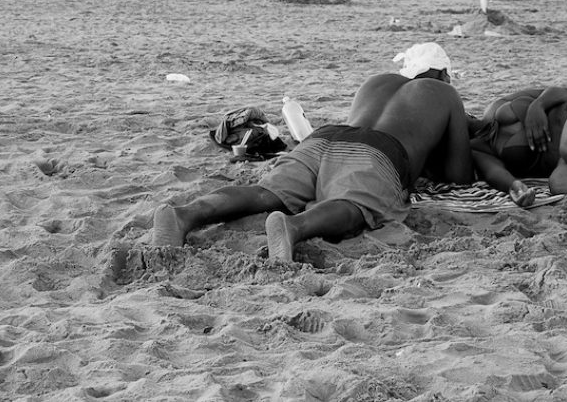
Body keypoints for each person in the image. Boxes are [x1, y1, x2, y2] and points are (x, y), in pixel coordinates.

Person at [153, 42, 474, 263]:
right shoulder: (446, 94)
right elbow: (459, 175)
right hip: (378, 154)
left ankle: (186, 214)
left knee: (266, 192)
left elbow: (357, 136)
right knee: (356, 207)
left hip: (325, 139)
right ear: (444, 73)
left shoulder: (375, 82)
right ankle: (295, 227)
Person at [468, 86, 567, 207]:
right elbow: (493, 172)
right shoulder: (475, 151)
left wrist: (537, 106)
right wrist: (516, 187)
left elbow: (565, 92)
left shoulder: (495, 107)